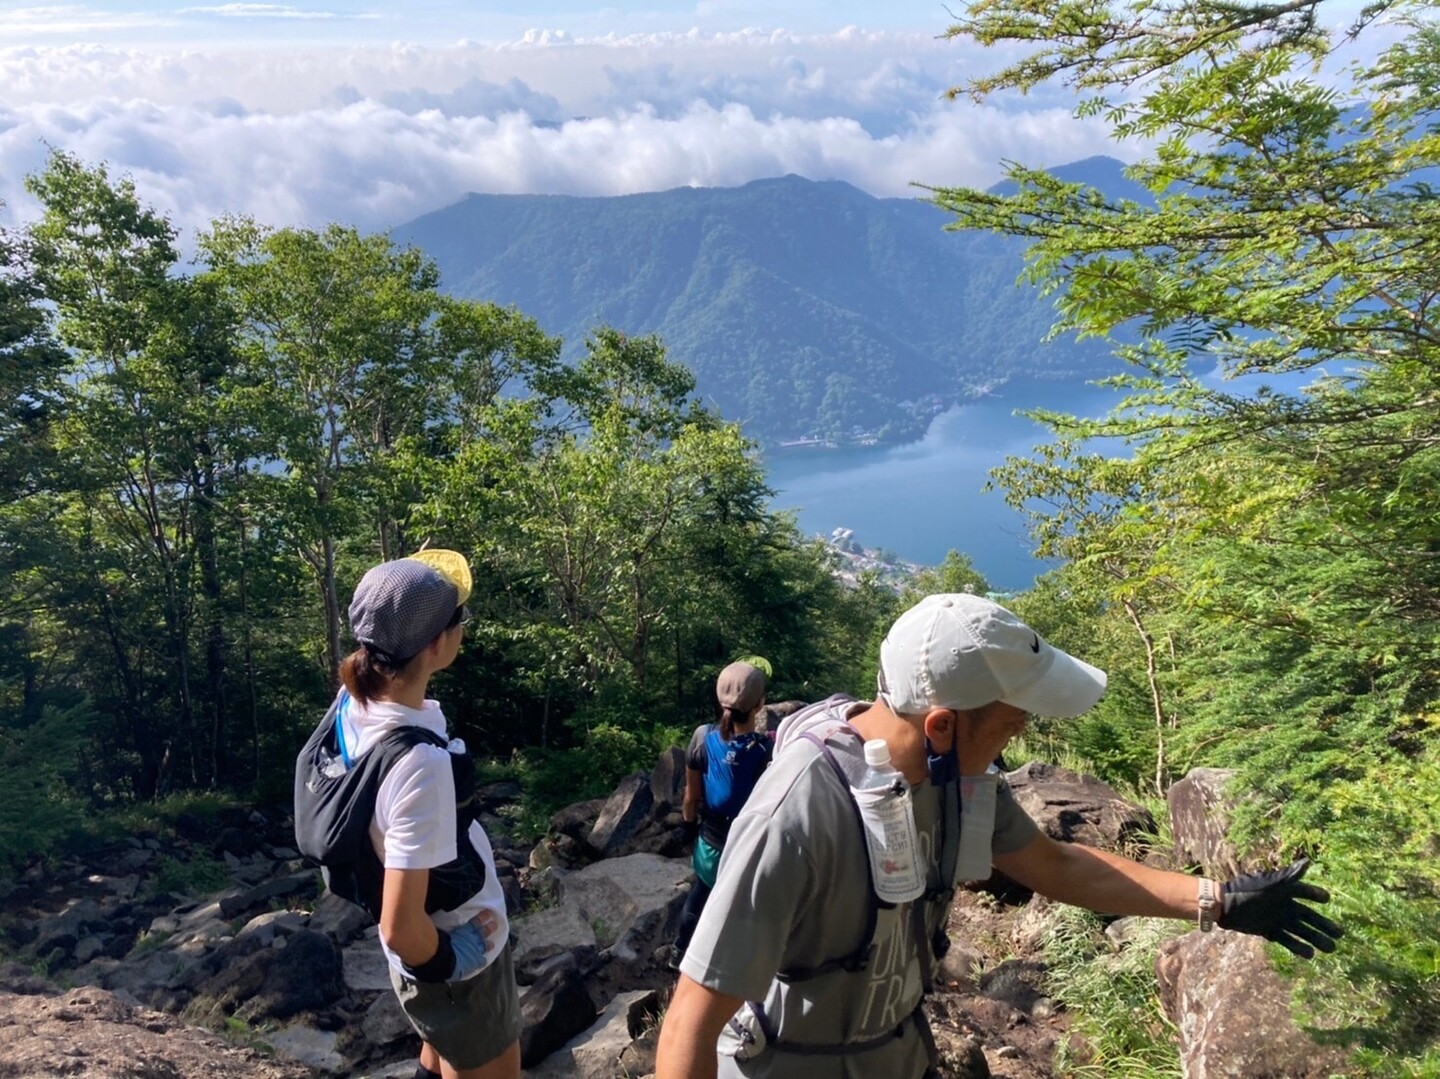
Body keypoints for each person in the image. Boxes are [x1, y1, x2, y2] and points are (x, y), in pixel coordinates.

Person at [656, 593, 1344, 1079]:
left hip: (894, 1055)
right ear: (942, 726)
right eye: (1011, 726)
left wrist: (1219, 899)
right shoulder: (800, 812)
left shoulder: (955, 782)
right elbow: (692, 1014)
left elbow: (1057, 864)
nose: (1018, 739)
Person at [337, 550, 520, 1079]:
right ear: (438, 643)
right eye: (458, 620)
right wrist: (451, 959)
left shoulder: (354, 704)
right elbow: (400, 926)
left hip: (418, 969)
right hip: (455, 964)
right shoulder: (419, 762)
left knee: (437, 1052)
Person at [665, 661, 772, 969]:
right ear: (760, 704)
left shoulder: (702, 737)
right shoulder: (765, 749)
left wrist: (687, 828)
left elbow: (692, 796)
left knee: (700, 894)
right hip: (746, 845)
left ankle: (680, 952)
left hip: (710, 842)